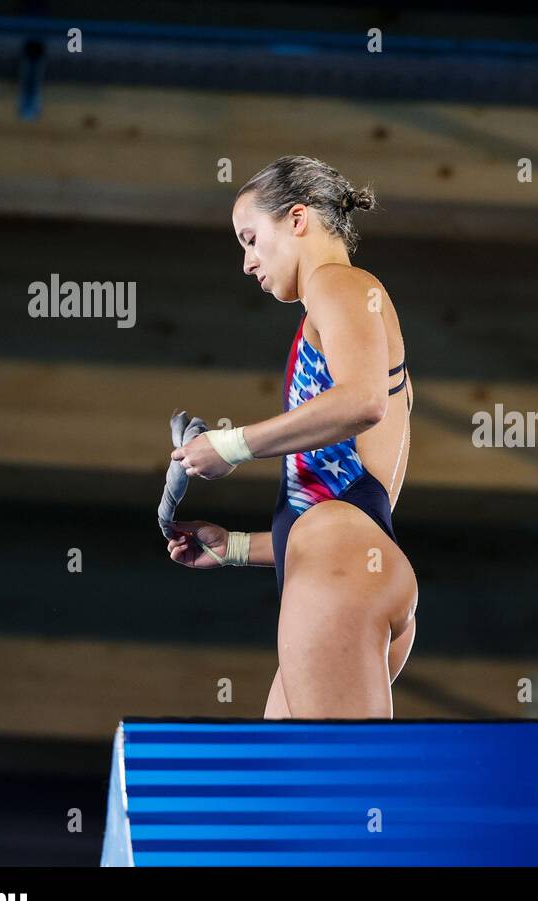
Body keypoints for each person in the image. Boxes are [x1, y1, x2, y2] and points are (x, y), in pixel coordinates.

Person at [165, 156, 417, 719]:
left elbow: (362, 402)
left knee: (337, 789)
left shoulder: (340, 283)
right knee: (293, 796)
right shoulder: (346, 312)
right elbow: (343, 500)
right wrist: (232, 548)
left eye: (251, 239)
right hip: (347, 567)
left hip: (340, 571)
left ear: (298, 219)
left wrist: (230, 446)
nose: (247, 262)